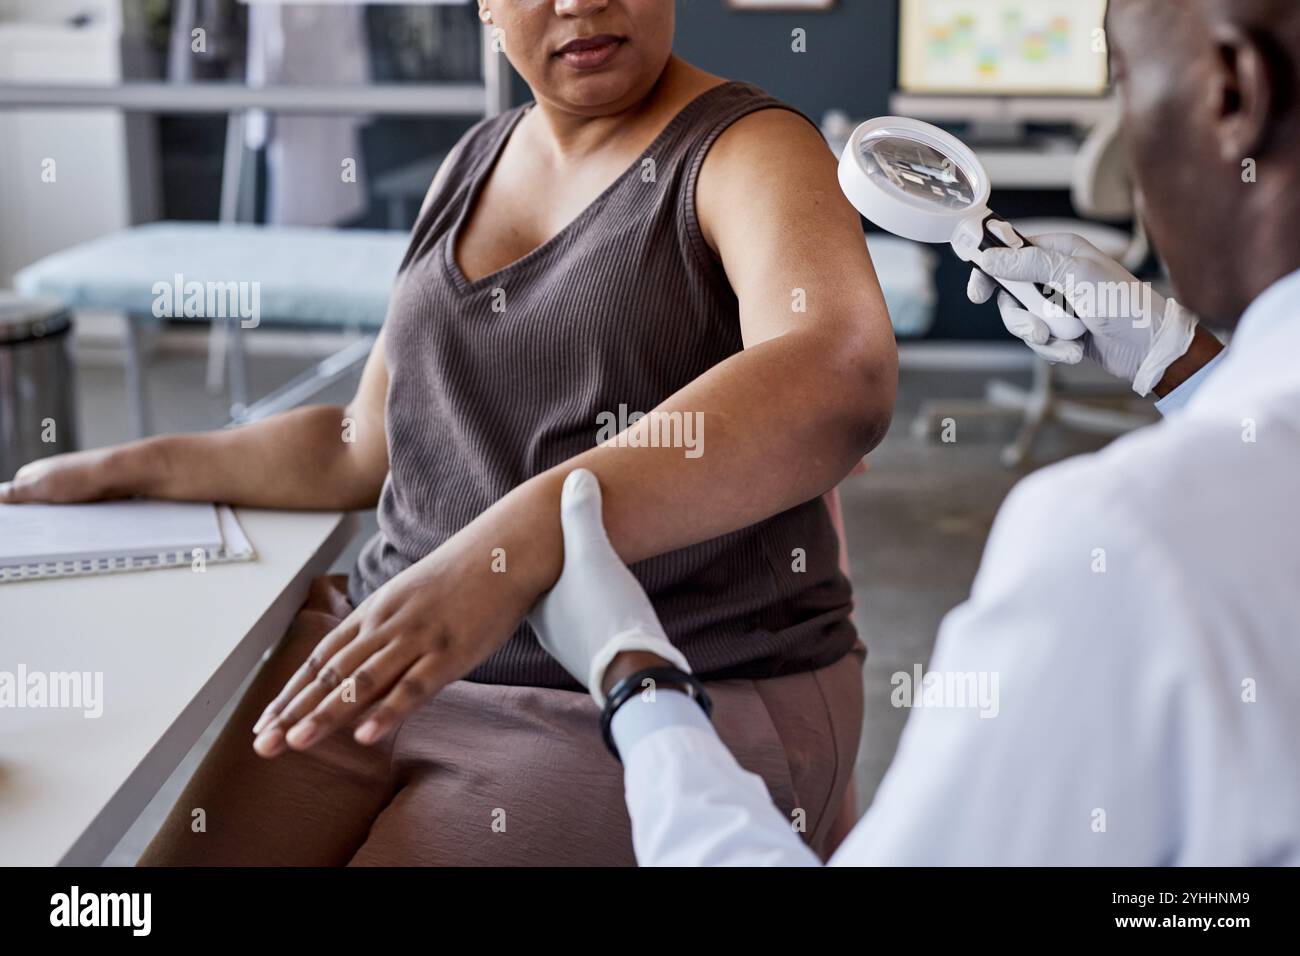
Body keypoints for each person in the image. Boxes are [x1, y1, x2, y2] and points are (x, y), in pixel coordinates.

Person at [0, 1, 895, 864]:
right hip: (382, 651)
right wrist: (135, 467)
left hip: (633, 687)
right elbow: (359, 444)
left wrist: (515, 549)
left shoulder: (751, 148)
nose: (582, 2)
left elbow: (839, 371)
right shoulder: (472, 159)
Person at [529, 0, 1300, 865]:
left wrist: (642, 688)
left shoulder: (1129, 545)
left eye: (1124, 78)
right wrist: (1176, 360)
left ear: (1233, 92)